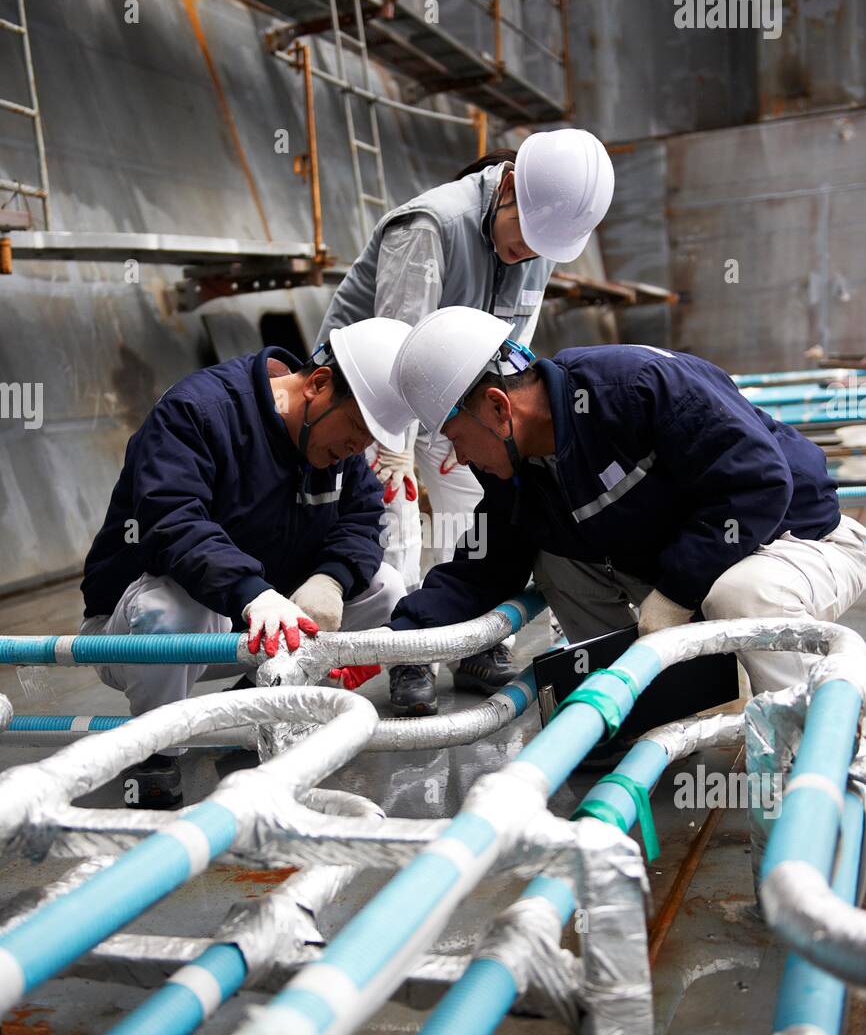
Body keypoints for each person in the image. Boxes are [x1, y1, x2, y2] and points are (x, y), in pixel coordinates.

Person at [351, 306, 866, 703]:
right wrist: (405, 637)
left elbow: (759, 486)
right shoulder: (525, 466)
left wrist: (677, 591)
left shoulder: (635, 387)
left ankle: (808, 742)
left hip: (801, 541)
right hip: (702, 573)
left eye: (456, 437)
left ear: (497, 408)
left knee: (741, 593)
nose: (459, 458)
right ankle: (656, 705)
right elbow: (486, 566)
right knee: (555, 560)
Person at [317, 127, 615, 717]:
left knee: (480, 509)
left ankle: (471, 641)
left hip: (455, 396)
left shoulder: (541, 242)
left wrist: (492, 433)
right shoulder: (429, 227)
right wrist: (396, 454)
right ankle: (406, 653)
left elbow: (511, 345)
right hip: (372, 398)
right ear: (509, 188)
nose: (528, 253)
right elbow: (394, 350)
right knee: (395, 522)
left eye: (542, 246)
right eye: (524, 236)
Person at [80, 318, 414, 807]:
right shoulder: (198, 412)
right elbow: (174, 522)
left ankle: (256, 698)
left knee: (384, 587)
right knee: (171, 609)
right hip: (137, 633)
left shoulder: (334, 444)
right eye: (357, 431)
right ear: (318, 385)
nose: (356, 449)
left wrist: (330, 578)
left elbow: (363, 517)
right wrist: (252, 592)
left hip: (250, 631)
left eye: (368, 441)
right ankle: (156, 750)